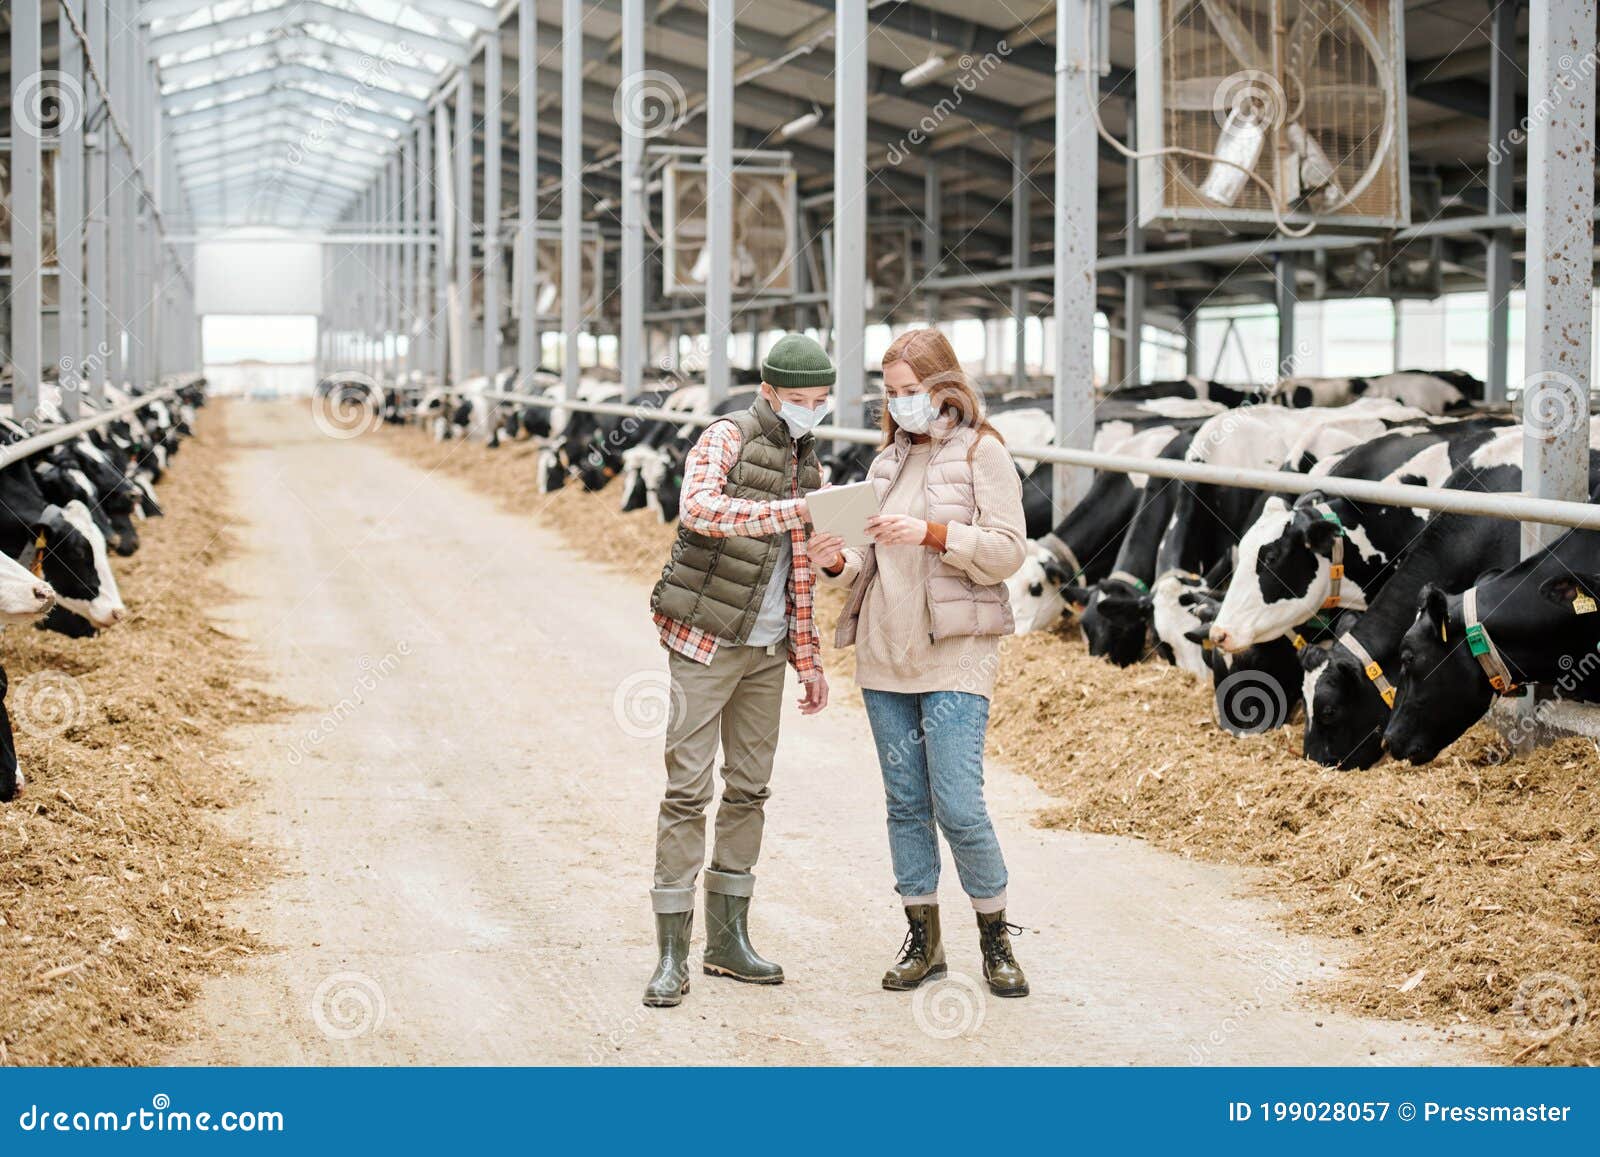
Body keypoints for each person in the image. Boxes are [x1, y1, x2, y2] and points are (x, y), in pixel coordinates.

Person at [807, 327, 1031, 998]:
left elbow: (1007, 551)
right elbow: (863, 562)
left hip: (956, 652)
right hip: (885, 651)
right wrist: (834, 560)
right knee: (905, 802)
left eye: (910, 389)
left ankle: (995, 938)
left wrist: (933, 533)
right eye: (891, 392)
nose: (899, 402)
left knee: (958, 803)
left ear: (943, 387)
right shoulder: (886, 465)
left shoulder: (984, 452)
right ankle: (923, 939)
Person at [643, 333, 834, 1008]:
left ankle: (726, 942)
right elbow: (698, 508)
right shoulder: (725, 436)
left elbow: (802, 567)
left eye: (822, 399)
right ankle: (671, 955)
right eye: (801, 399)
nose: (812, 409)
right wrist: (793, 510)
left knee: (750, 790)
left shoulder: (811, 460)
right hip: (705, 641)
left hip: (768, 651)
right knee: (687, 791)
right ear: (769, 392)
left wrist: (809, 658)